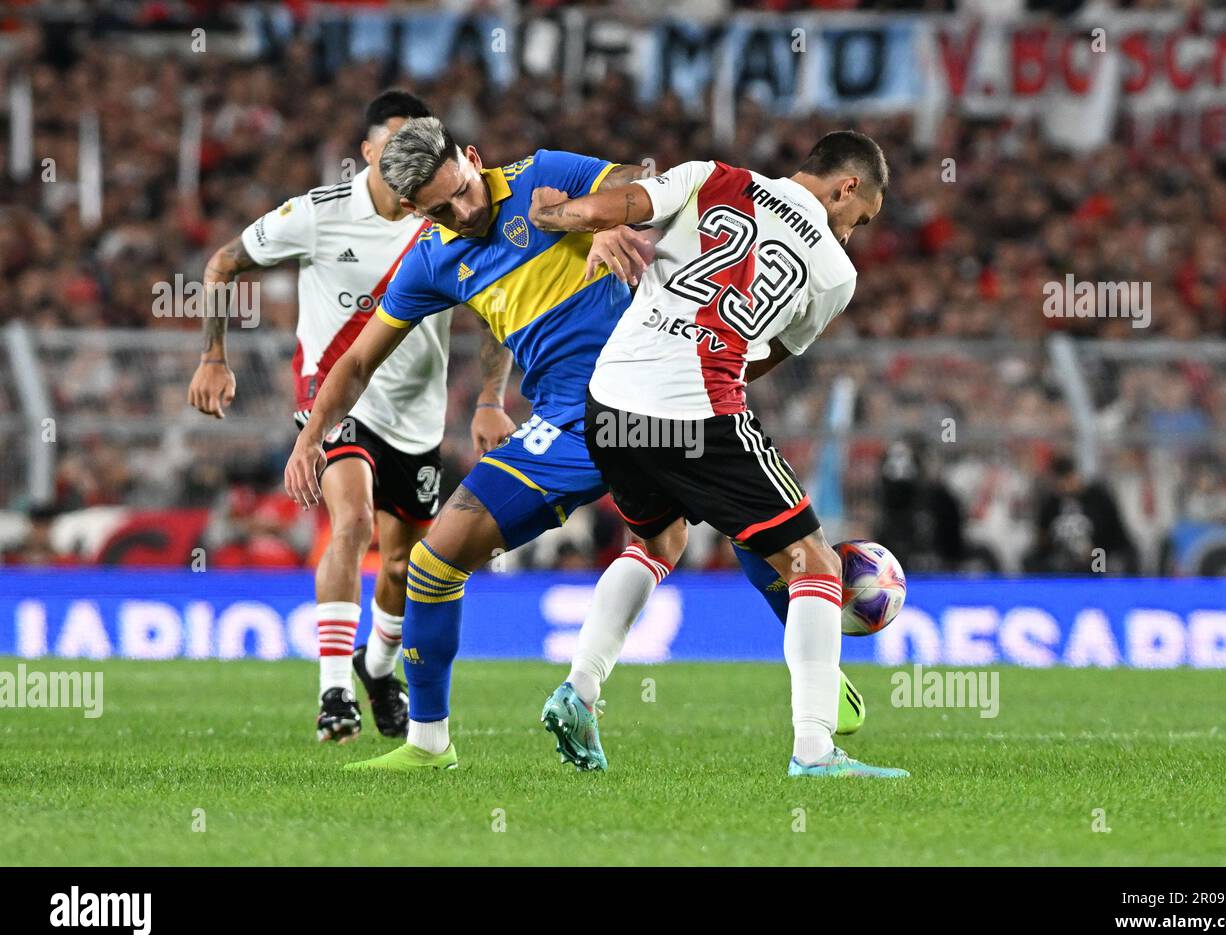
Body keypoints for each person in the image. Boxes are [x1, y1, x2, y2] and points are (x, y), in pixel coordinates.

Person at [282, 116, 862, 772]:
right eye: (441, 209)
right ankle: (430, 743)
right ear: (414, 210)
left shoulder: (544, 175)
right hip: (570, 420)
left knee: (735, 540)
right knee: (436, 564)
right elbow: (360, 362)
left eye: (464, 189)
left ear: (474, 156)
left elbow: (633, 186)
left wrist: (604, 220)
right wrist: (314, 436)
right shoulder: (430, 261)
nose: (464, 211)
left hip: (654, 387)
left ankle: (813, 688)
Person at [529, 131, 909, 779]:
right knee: (812, 562)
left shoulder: (711, 176)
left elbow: (597, 212)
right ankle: (816, 751)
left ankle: (580, 690)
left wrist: (549, 214)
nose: (852, 233)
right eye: (860, 218)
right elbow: (765, 358)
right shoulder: (836, 273)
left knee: (657, 542)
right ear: (846, 187)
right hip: (696, 409)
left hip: (611, 398)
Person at [188, 92, 513, 743]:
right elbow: (223, 261)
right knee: (353, 520)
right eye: (391, 147)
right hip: (333, 401)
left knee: (403, 565)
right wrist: (213, 356)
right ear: (368, 151)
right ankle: (335, 689)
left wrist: (488, 400)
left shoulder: (450, 217)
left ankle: (378, 664)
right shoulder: (318, 214)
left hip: (417, 417)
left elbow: (496, 313)